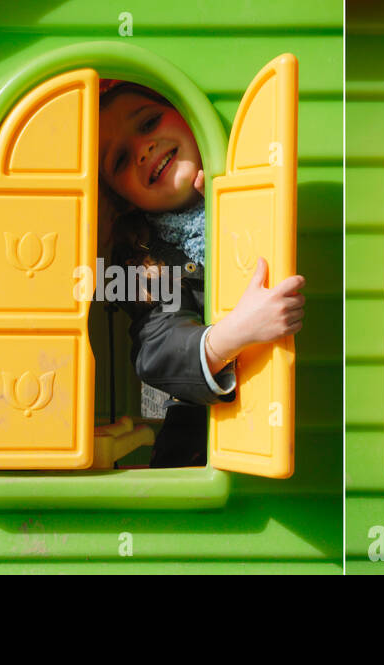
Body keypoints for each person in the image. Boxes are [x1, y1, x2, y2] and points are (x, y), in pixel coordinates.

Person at [98, 80, 305, 467]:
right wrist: (237, 331)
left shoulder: (254, 194)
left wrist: (231, 209)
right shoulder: (144, 261)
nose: (143, 150)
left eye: (148, 123)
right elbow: (155, 349)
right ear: (123, 201)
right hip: (212, 439)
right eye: (121, 160)